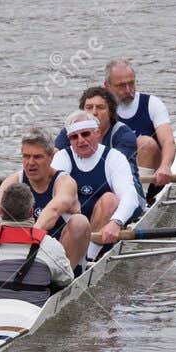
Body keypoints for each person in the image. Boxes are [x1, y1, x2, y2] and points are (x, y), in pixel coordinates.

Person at [0, 129, 90, 272]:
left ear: (52, 156)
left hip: (60, 258)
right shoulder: (15, 180)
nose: (30, 163)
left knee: (80, 222)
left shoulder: (65, 182)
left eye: (37, 157)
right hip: (26, 255)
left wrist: (29, 242)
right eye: (26, 156)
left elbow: (53, 211)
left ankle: (63, 280)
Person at [52, 109, 140, 261]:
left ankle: (89, 257)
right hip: (69, 226)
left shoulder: (114, 158)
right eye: (74, 137)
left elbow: (131, 197)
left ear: (97, 132)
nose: (80, 140)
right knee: (63, 194)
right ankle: (71, 258)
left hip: (102, 232)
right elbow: (54, 199)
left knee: (110, 199)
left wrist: (116, 222)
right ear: (69, 139)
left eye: (85, 134)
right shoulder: (62, 157)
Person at [0, 181, 73, 305]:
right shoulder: (50, 246)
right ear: (31, 212)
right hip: (33, 313)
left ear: (1, 212)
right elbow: (66, 279)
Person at [53, 86, 144, 203]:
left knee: (108, 200)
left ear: (111, 112)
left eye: (100, 108)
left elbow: (105, 168)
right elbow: (54, 157)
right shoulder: (70, 132)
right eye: (89, 108)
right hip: (87, 192)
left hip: (124, 194)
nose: (94, 112)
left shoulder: (124, 135)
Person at [103, 59, 175, 187]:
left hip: (152, 176)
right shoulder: (99, 108)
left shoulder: (152, 104)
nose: (128, 90)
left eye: (131, 83)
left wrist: (165, 166)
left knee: (145, 143)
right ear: (107, 86)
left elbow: (168, 141)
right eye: (121, 85)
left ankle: (140, 196)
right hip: (115, 174)